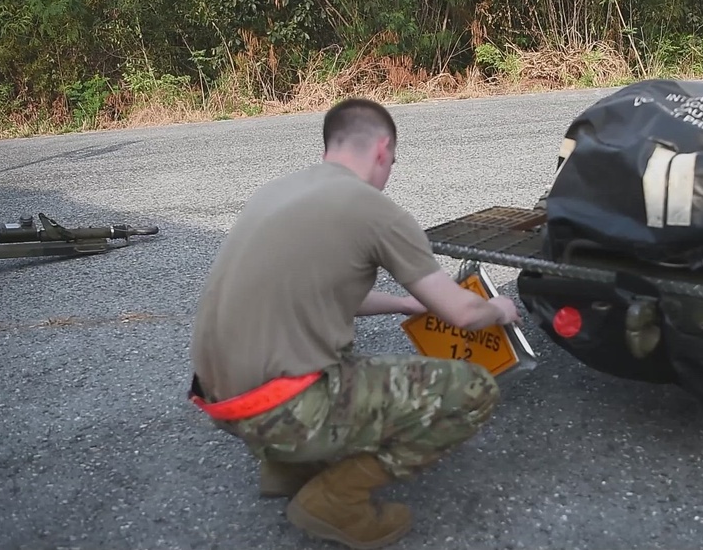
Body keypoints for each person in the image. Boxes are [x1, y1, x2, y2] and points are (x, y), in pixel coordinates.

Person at [188, 97, 521, 549]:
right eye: (393, 162)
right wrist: (500, 309)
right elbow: (461, 313)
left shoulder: (277, 193)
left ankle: (290, 467)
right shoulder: (374, 210)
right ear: (382, 149)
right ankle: (335, 501)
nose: (389, 174)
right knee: (475, 391)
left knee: (327, 348)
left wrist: (405, 305)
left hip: (222, 401)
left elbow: (323, 291)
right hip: (283, 409)